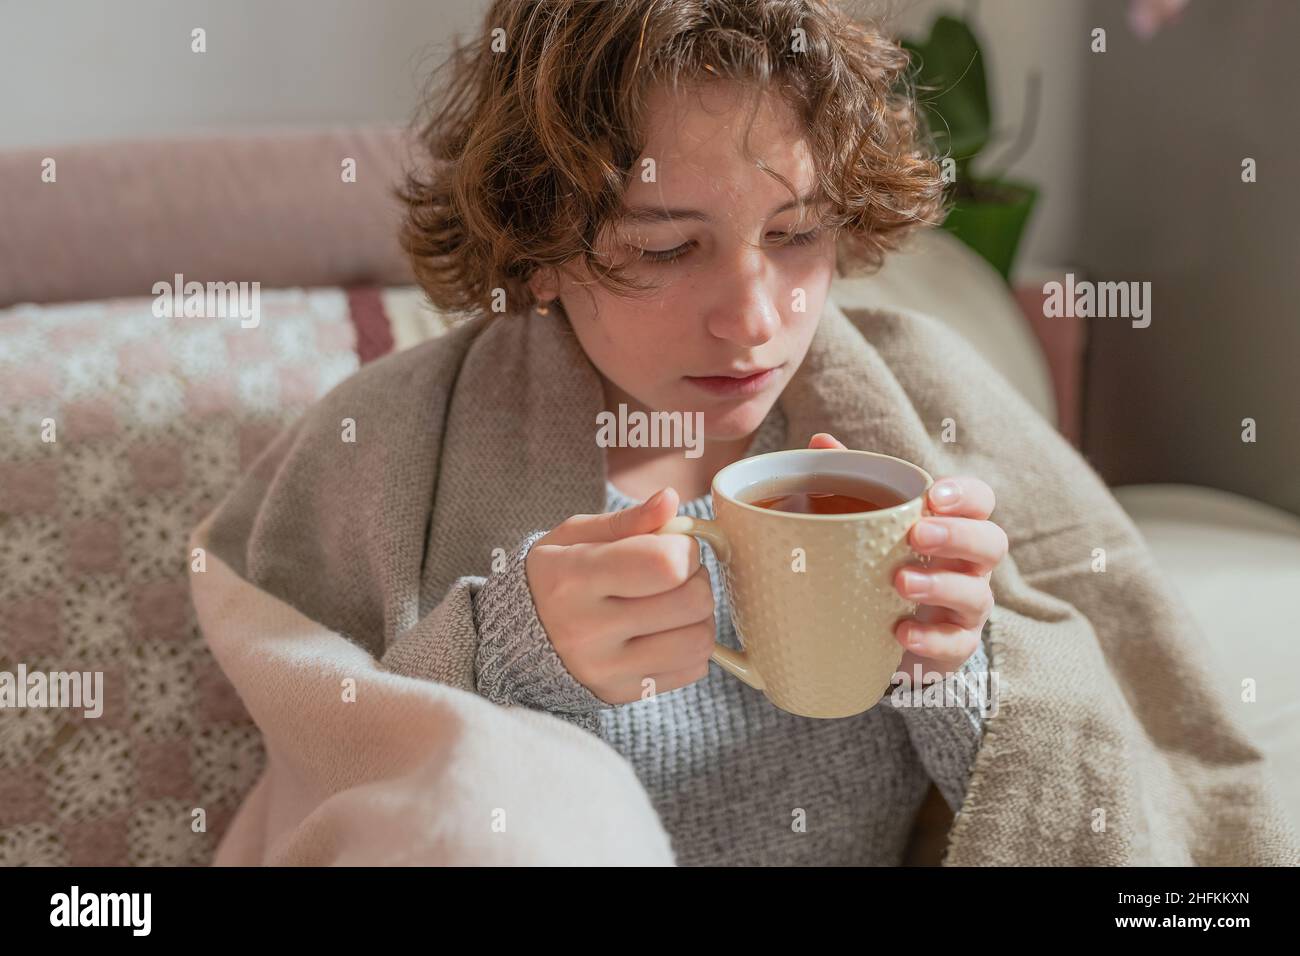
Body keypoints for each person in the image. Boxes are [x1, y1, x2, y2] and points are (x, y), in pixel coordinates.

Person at [391, 0, 1010, 865]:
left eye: (796, 233)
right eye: (667, 249)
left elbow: (1088, 770)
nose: (755, 322)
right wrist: (505, 647)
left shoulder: (928, 396)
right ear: (536, 251)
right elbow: (335, 757)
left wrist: (954, 665)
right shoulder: (394, 440)